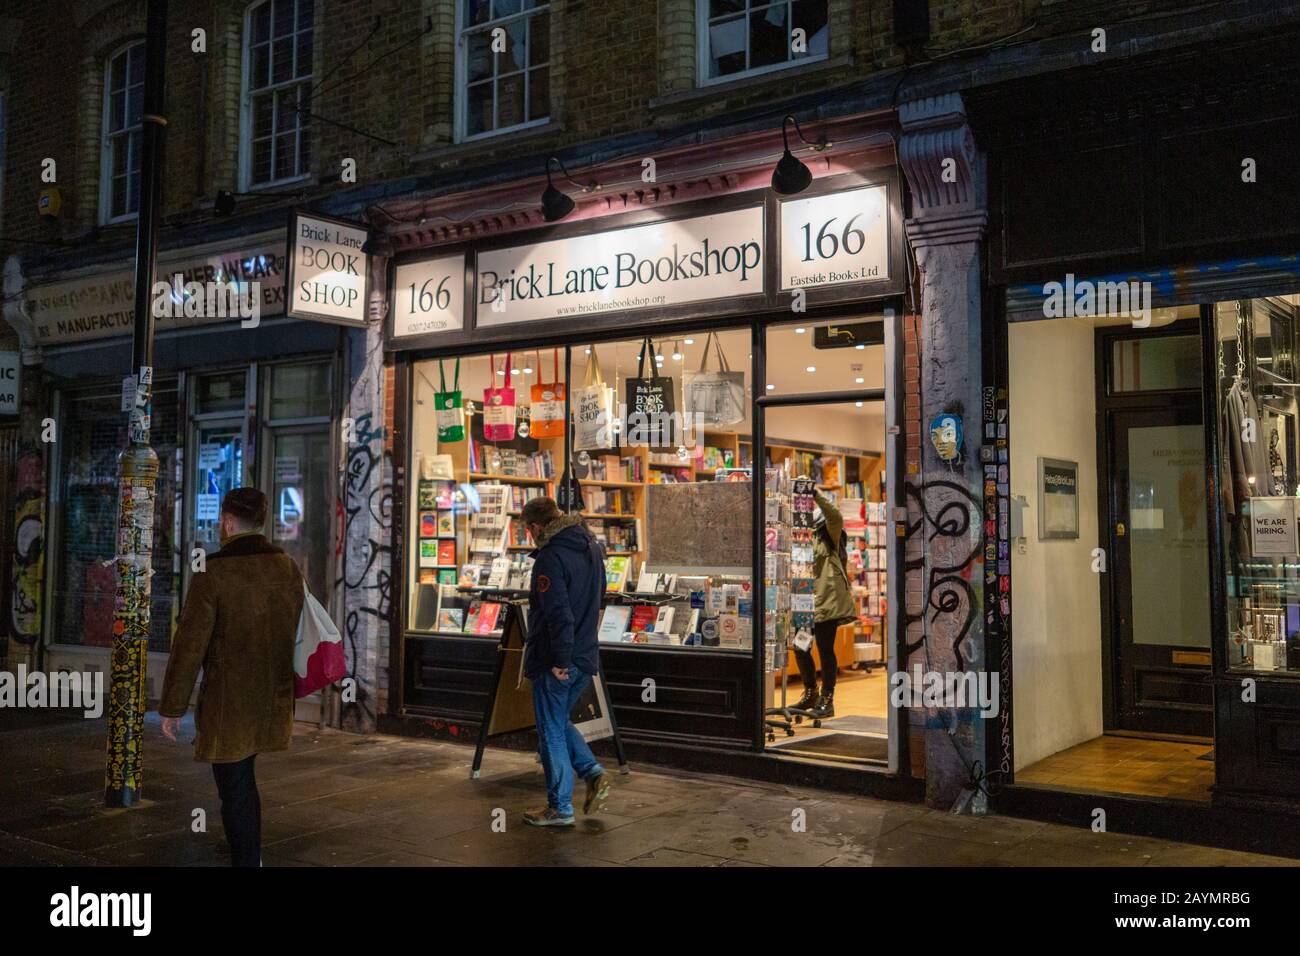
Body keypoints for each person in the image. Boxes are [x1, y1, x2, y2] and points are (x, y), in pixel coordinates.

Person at [159, 488, 305, 867]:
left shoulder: (214, 571)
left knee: (235, 788)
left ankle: (247, 860)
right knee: (244, 780)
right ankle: (250, 855)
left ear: (226, 521)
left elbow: (190, 644)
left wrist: (173, 706)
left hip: (230, 704)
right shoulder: (286, 566)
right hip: (272, 697)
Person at [519, 495, 610, 826]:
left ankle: (560, 807)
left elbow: (558, 613)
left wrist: (559, 659)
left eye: (529, 530)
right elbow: (600, 598)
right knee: (556, 722)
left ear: (537, 526)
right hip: (586, 655)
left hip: (558, 659)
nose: (530, 536)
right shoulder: (591, 546)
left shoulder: (550, 557)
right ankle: (591, 771)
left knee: (551, 731)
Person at [792, 485, 858, 718]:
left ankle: (827, 699)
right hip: (803, 600)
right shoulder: (798, 534)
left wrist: (815, 494)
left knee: (825, 649)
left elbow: (835, 516)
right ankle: (810, 692)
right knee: (800, 647)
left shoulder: (828, 533)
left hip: (826, 601)